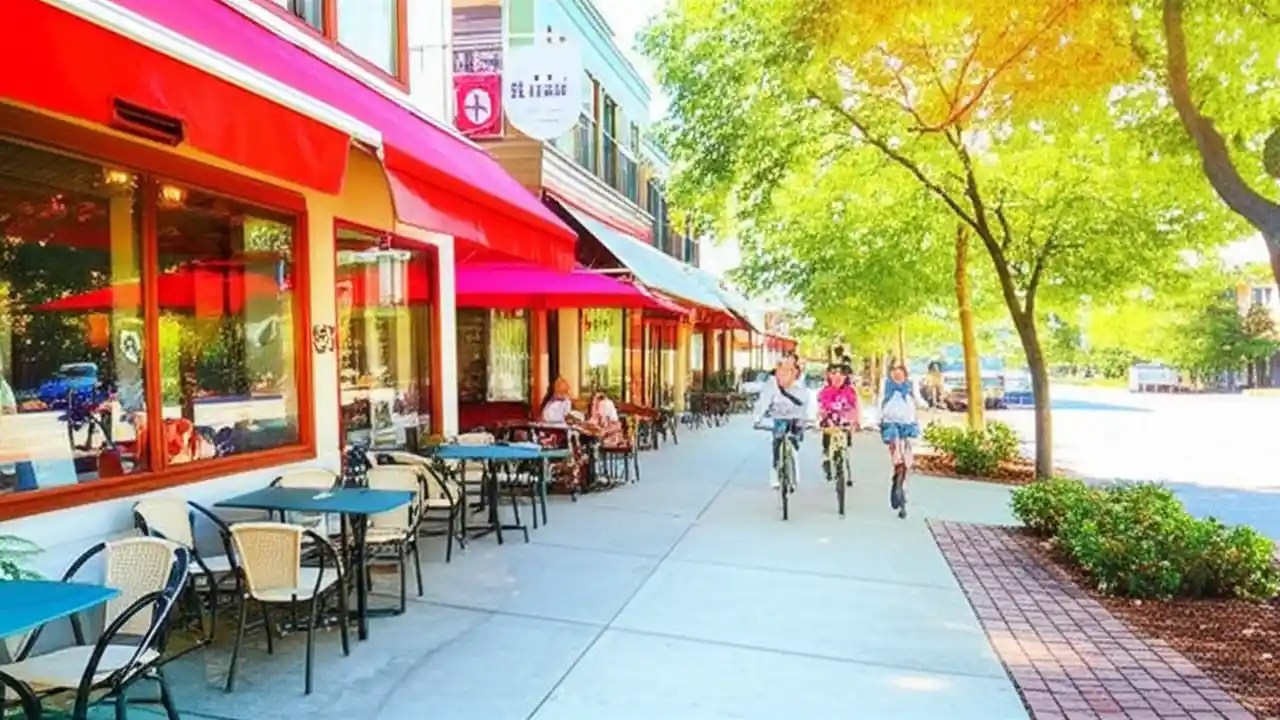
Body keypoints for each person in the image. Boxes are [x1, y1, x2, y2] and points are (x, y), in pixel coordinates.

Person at [752, 354, 809, 489]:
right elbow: (763, 402)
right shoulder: (771, 384)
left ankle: (793, 470)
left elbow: (807, 403)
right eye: (780, 370)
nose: (783, 374)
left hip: (796, 416)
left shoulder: (799, 385)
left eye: (788, 370)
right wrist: (757, 419)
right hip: (779, 416)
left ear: (795, 372)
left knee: (794, 441)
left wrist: (809, 419)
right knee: (778, 441)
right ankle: (776, 472)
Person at [881, 362, 927, 519]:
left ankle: (901, 479)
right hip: (891, 423)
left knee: (907, 457)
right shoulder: (886, 385)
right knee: (896, 453)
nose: (896, 374)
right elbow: (880, 401)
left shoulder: (910, 385)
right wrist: (877, 418)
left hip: (908, 423)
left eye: (899, 372)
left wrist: (925, 405)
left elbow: (919, 399)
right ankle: (898, 475)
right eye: (893, 371)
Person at [817, 362, 860, 484]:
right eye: (834, 373)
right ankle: (826, 457)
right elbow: (821, 408)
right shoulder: (824, 391)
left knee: (846, 438)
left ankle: (843, 456)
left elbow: (856, 407)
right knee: (827, 433)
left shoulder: (850, 391)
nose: (837, 376)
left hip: (845, 419)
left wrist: (857, 420)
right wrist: (822, 417)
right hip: (830, 419)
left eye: (841, 374)